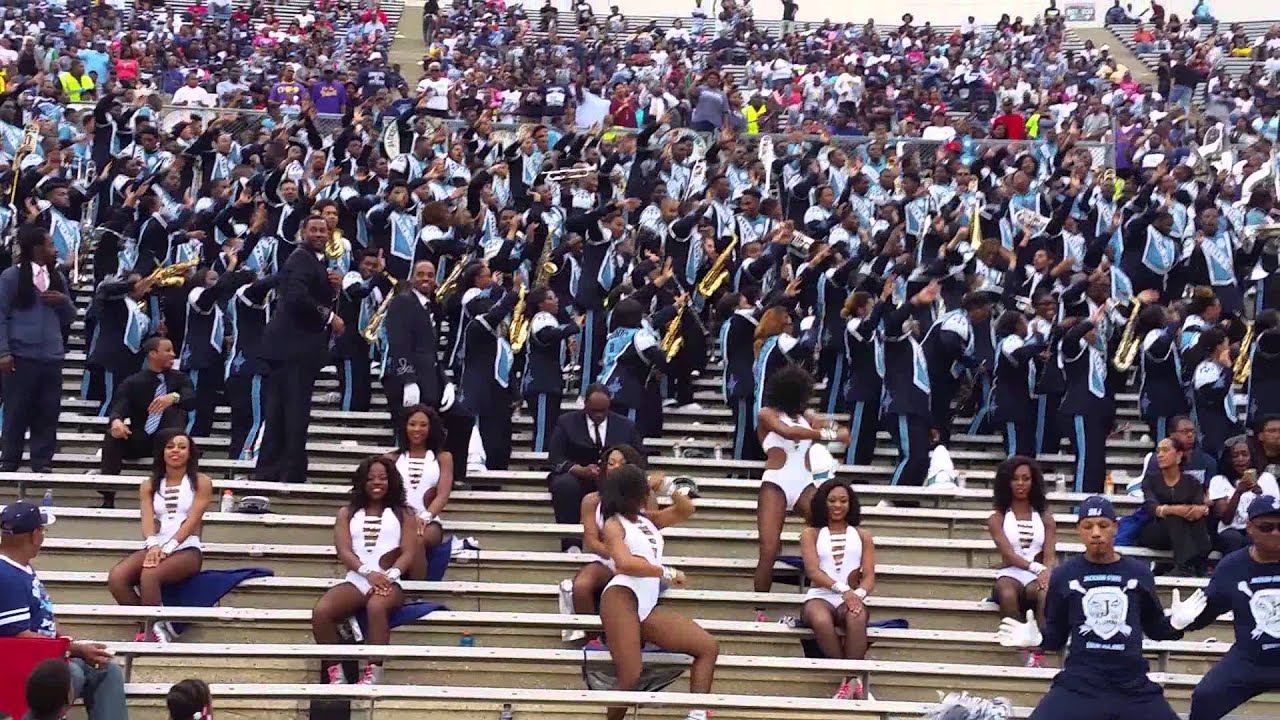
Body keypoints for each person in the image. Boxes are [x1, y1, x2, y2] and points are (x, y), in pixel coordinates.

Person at [996, 496, 1207, 720]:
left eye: (1103, 525)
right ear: (1079, 530)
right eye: (1088, 526)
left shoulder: (1138, 573)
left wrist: (1176, 623)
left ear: (1115, 527)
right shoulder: (1065, 575)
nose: (1096, 533)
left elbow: (1155, 629)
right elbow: (1056, 638)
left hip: (1132, 685)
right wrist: (1037, 641)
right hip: (1080, 684)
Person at [598, 464, 713, 720]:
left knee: (707, 647)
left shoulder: (648, 520)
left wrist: (667, 487)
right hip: (621, 596)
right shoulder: (613, 524)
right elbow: (624, 563)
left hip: (646, 602)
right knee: (630, 673)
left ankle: (697, 715)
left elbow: (687, 509)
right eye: (642, 485)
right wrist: (666, 572)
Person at [0, 501, 127, 720]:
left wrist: (66, 641)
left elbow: (42, 618)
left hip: (46, 655)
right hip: (24, 665)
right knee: (69, 675)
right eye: (42, 530)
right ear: (34, 535)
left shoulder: (20, 566)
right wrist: (73, 649)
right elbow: (18, 637)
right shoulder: (5, 575)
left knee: (106, 670)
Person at [251, 215, 345, 484]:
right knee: (292, 413)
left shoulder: (314, 261)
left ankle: (277, 469)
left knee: (286, 411)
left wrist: (332, 289)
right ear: (303, 232)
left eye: (322, 230)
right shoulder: (300, 258)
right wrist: (329, 317)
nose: (318, 234)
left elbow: (308, 295)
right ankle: (286, 471)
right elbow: (295, 296)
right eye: (313, 229)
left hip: (294, 350)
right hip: (292, 349)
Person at [311, 457, 414, 686]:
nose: (376, 483)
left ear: (392, 481)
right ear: (361, 482)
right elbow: (344, 551)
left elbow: (408, 552)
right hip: (358, 579)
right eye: (370, 478)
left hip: (390, 581)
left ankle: (373, 671)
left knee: (376, 606)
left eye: (382, 478)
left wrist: (390, 576)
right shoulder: (346, 513)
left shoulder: (405, 513)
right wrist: (368, 573)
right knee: (322, 611)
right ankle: (335, 672)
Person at [106, 430, 213, 642]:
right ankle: (153, 626)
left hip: (187, 548)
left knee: (150, 573)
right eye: (170, 446)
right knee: (118, 576)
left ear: (190, 453)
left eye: (182, 447)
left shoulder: (202, 482)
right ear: (162, 452)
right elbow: (147, 519)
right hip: (157, 545)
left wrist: (167, 549)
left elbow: (192, 520)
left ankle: (152, 631)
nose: (176, 451)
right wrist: (154, 546)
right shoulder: (149, 485)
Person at [754, 365, 848, 596]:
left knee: (828, 531)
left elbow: (840, 429)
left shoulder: (807, 417)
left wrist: (837, 429)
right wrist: (830, 434)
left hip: (804, 485)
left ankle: (827, 591)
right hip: (776, 484)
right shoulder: (766, 414)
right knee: (769, 548)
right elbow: (788, 432)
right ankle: (759, 609)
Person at [1183, 495, 1280, 720]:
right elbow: (1208, 610)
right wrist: (1181, 621)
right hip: (1250, 660)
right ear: (1250, 528)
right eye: (1266, 527)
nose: (1276, 533)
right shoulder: (1232, 566)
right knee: (1205, 697)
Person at [0, 226, 76, 473]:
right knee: (16, 410)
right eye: (51, 245)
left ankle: (42, 461)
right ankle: (9, 459)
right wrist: (3, 351)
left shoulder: (57, 278)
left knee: (48, 411)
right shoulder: (11, 277)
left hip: (51, 356)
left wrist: (63, 301)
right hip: (20, 355)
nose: (55, 250)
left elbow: (69, 317)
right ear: (37, 248)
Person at [800, 478, 875, 700]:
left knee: (856, 615)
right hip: (820, 596)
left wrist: (856, 595)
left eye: (843, 500)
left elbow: (869, 576)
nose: (837, 505)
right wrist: (844, 591)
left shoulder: (863, 535)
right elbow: (813, 572)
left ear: (851, 504)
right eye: (832, 500)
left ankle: (849, 682)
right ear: (823, 502)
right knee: (821, 620)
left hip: (852, 596)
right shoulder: (810, 534)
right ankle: (852, 678)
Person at [547, 384, 644, 552]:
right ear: (585, 405)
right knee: (564, 485)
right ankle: (572, 544)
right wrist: (578, 469)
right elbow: (555, 457)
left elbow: (640, 458)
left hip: (615, 479)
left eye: (603, 410)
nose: (599, 415)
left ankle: (624, 544)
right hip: (578, 478)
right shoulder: (566, 422)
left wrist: (618, 469)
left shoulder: (625, 425)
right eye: (594, 410)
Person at [101, 337, 196, 495]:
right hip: (142, 437)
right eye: (167, 350)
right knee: (113, 435)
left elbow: (191, 399)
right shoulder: (133, 382)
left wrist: (173, 397)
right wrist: (116, 422)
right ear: (153, 353)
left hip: (169, 442)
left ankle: (174, 494)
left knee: (173, 415)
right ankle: (108, 494)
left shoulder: (180, 378)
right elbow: (119, 406)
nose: (173, 354)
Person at [570, 444, 648, 632]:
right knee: (581, 585)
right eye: (611, 463)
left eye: (622, 463)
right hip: (606, 559)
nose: (616, 467)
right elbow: (592, 540)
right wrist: (616, 554)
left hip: (639, 559)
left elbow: (650, 533)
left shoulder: (646, 497)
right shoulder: (592, 500)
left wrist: (628, 560)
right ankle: (593, 638)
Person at [988, 456, 1057, 668]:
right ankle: (1023, 650)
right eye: (1015, 479)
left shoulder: (1045, 517)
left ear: (1033, 482)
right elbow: (1008, 555)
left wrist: (1046, 571)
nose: (1020, 484)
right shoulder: (997, 517)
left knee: (1045, 593)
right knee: (1008, 594)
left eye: (1026, 479)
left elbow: (1050, 553)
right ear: (1006, 483)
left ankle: (1042, 647)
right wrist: (1036, 568)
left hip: (1036, 574)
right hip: (1010, 572)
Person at [384, 405, 453, 579]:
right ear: (404, 427)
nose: (417, 429)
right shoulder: (391, 459)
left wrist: (425, 517)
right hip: (397, 519)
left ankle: (418, 593)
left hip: (429, 522)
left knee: (416, 539)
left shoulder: (443, 458)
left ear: (431, 428)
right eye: (412, 424)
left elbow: (443, 494)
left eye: (423, 425)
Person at [1141, 436, 1213, 576]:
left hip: (1187, 533)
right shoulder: (1151, 480)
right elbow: (1151, 507)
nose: (1160, 455)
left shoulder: (1191, 482)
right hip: (1156, 532)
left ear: (1179, 455)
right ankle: (1186, 566)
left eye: (1165, 450)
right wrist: (1176, 510)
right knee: (1174, 517)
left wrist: (1200, 510)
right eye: (1158, 451)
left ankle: (1195, 564)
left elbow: (1199, 508)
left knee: (1195, 520)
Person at [1208, 440, 1279, 554]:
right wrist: (1238, 492)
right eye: (1235, 456)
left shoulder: (1267, 478)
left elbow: (1273, 510)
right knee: (1234, 539)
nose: (1240, 459)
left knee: (1256, 536)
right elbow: (1226, 519)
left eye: (1245, 454)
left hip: (1260, 527)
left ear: (1252, 457)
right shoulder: (1219, 480)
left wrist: (1259, 494)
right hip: (1230, 530)